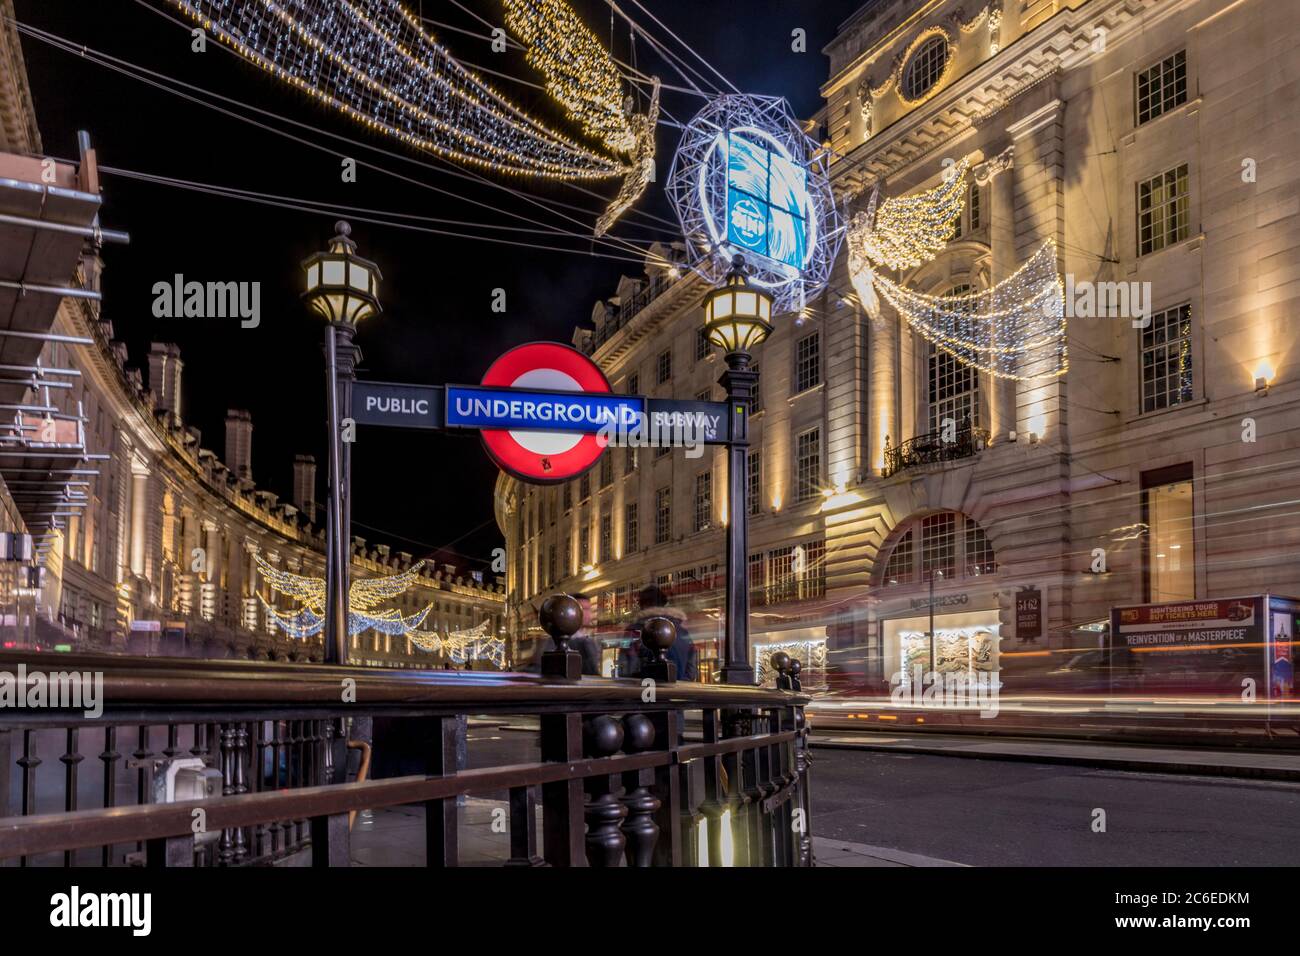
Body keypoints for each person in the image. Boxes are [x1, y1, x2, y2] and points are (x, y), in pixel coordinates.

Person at [622, 584, 697, 681]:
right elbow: (691, 671)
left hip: (646, 693)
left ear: (642, 605)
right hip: (678, 692)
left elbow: (627, 669)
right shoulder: (683, 632)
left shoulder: (634, 631)